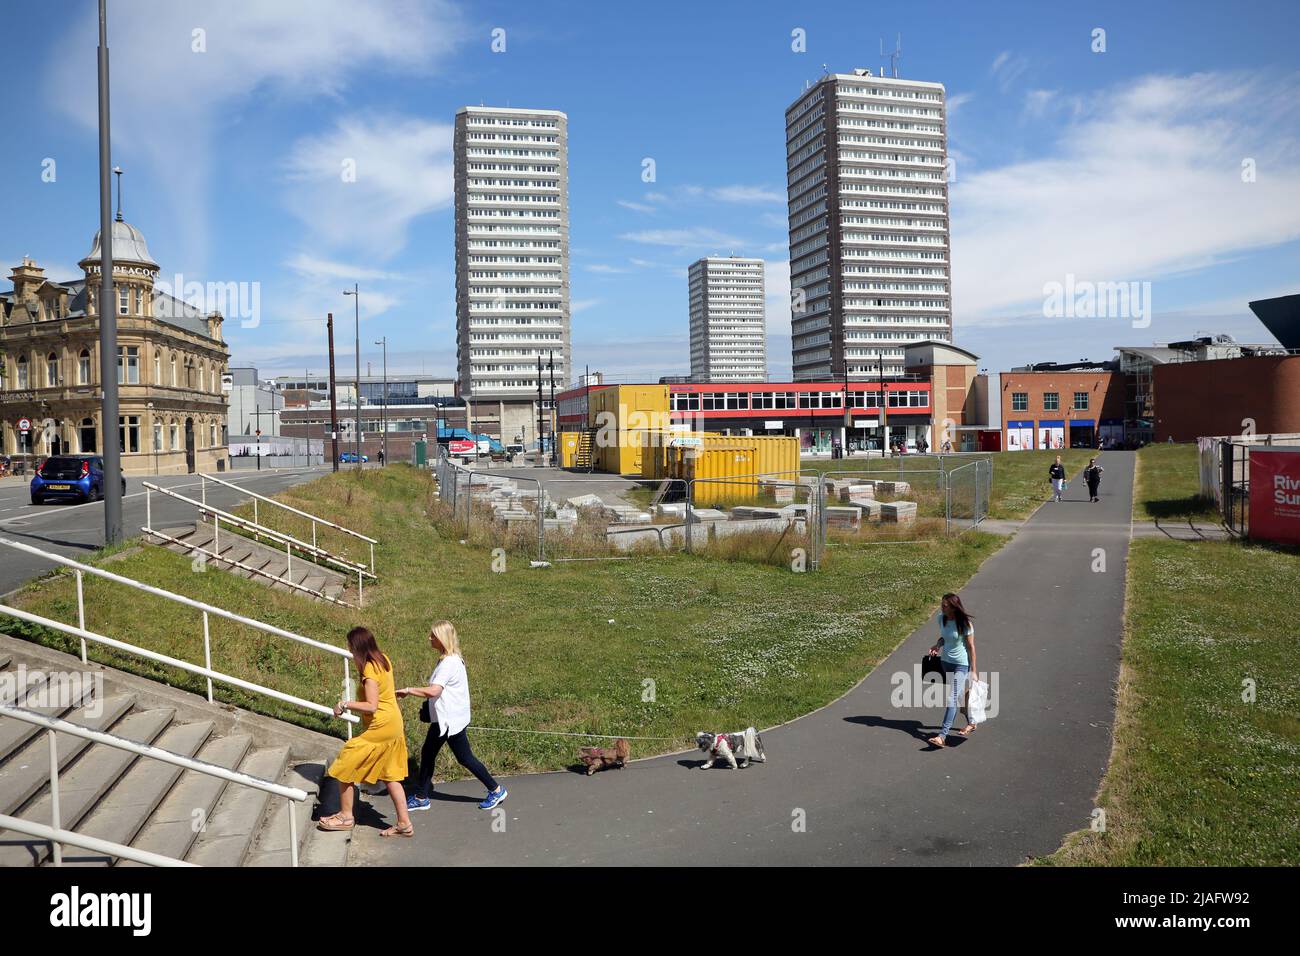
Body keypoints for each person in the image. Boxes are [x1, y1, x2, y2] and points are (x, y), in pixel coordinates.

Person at [398, 620, 508, 812]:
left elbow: (434, 691)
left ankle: (496, 789)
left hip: (450, 722)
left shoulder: (448, 663)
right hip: (446, 719)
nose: (429, 638)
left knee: (464, 757)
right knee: (428, 753)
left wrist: (408, 690)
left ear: (441, 639)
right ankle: (422, 796)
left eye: (433, 635)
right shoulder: (451, 658)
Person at [318, 627, 413, 837]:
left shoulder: (369, 671)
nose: (349, 650)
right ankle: (404, 823)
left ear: (356, 647)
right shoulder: (383, 659)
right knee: (391, 775)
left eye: (350, 646)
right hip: (394, 723)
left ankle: (345, 816)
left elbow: (371, 705)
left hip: (381, 726)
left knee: (345, 763)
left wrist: (345, 703)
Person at [926, 593, 978, 747]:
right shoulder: (941, 618)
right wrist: (937, 645)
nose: (942, 607)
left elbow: (971, 647)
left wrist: (974, 670)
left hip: (961, 665)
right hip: (945, 662)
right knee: (960, 697)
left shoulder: (965, 623)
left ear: (954, 607)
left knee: (952, 698)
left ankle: (942, 736)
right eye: (942, 604)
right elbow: (944, 637)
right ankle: (972, 722)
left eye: (945, 605)